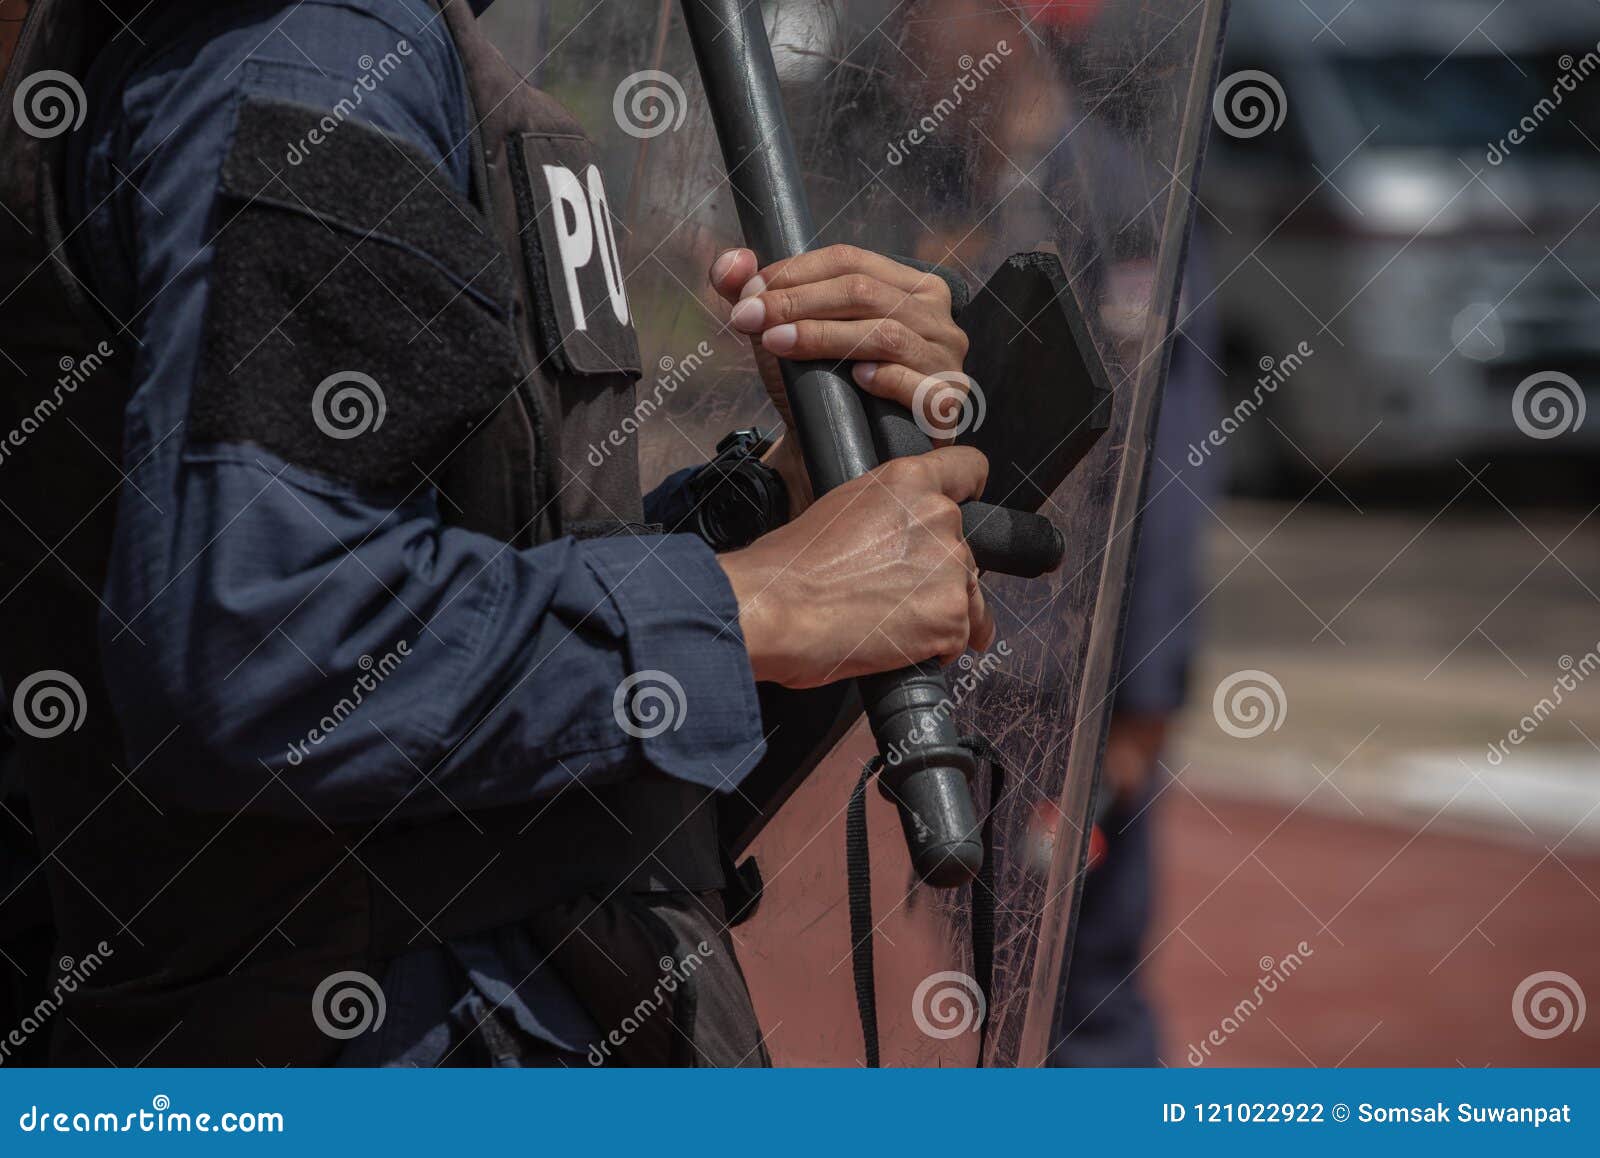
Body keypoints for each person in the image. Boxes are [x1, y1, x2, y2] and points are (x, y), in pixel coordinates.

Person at [0, 0, 992, 1065]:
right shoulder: (316, 50)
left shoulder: (391, 52)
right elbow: (271, 631)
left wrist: (785, 511)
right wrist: (751, 602)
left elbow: (473, 576)